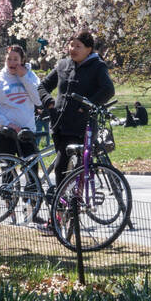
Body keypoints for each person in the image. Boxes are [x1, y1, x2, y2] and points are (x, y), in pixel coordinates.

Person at [38, 31, 115, 185]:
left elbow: (108, 89)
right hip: (59, 124)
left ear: (89, 49)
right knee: (63, 167)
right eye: (71, 45)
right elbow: (43, 86)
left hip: (82, 126)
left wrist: (86, 105)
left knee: (65, 166)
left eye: (78, 46)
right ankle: (64, 204)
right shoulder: (63, 64)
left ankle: (68, 205)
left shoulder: (97, 66)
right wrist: (49, 102)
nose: (73, 49)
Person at [0, 45, 43, 159]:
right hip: (4, 132)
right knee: (8, 174)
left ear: (22, 61)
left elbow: (38, 100)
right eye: (9, 59)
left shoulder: (31, 76)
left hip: (27, 131)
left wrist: (24, 77)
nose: (12, 62)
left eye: (16, 59)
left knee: (32, 173)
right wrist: (7, 123)